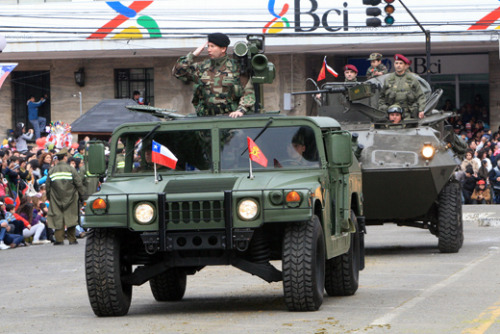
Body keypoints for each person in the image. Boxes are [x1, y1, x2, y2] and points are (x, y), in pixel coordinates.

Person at [173, 32, 255, 118]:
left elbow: (248, 92)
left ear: (223, 49)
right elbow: (177, 72)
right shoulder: (201, 67)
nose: (209, 49)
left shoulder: (236, 68)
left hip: (230, 119)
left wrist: (241, 110)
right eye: (208, 46)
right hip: (205, 119)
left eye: (212, 46)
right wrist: (192, 55)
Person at [46, 147, 85, 245]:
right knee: (71, 216)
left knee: (58, 217)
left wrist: (49, 197)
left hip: (56, 197)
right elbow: (78, 183)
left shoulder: (52, 170)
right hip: (71, 197)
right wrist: (82, 196)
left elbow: (48, 186)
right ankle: (72, 239)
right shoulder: (71, 169)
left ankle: (59, 239)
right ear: (65, 158)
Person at [378, 54, 426, 120]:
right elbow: (381, 97)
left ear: (405, 65)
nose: (398, 65)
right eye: (396, 63)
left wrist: (421, 110)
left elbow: (420, 96)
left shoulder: (412, 79)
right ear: (394, 65)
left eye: (401, 63)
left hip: (409, 113)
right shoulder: (388, 79)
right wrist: (383, 108)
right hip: (392, 114)